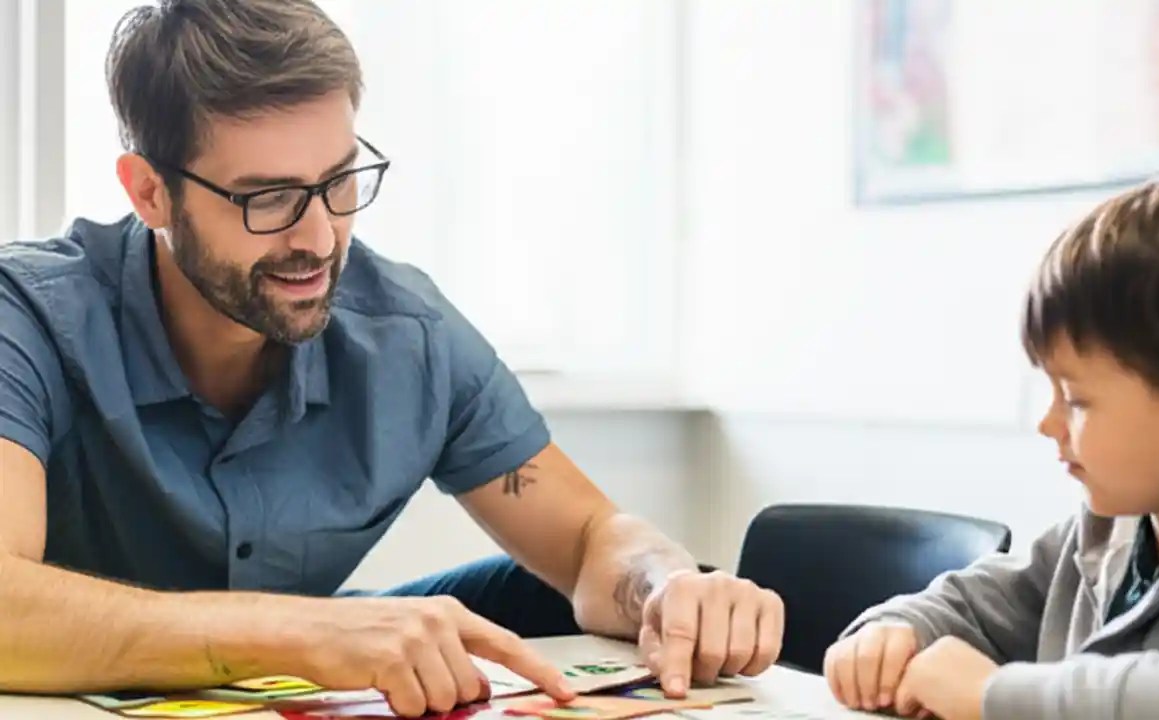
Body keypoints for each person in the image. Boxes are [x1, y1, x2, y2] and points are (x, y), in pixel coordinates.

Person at [0, 2, 783, 716]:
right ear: (149, 194)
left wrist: (667, 583)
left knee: (536, 600)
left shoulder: (408, 333)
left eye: (340, 181)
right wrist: (298, 632)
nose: (316, 239)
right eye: (266, 198)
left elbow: (587, 539)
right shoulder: (28, 319)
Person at [823, 165, 1159, 720]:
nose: (1050, 423)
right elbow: (971, 605)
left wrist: (991, 697)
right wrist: (894, 632)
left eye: (1077, 400)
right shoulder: (1114, 529)